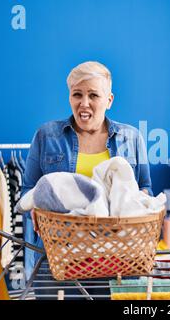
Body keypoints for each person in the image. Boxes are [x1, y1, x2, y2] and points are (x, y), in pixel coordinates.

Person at [21, 61, 152, 282]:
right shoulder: (46, 136)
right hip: (59, 257)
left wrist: (138, 202)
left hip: (116, 259)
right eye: (77, 95)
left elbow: (145, 188)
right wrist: (34, 207)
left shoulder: (131, 138)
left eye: (93, 95)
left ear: (109, 100)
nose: (84, 103)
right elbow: (28, 190)